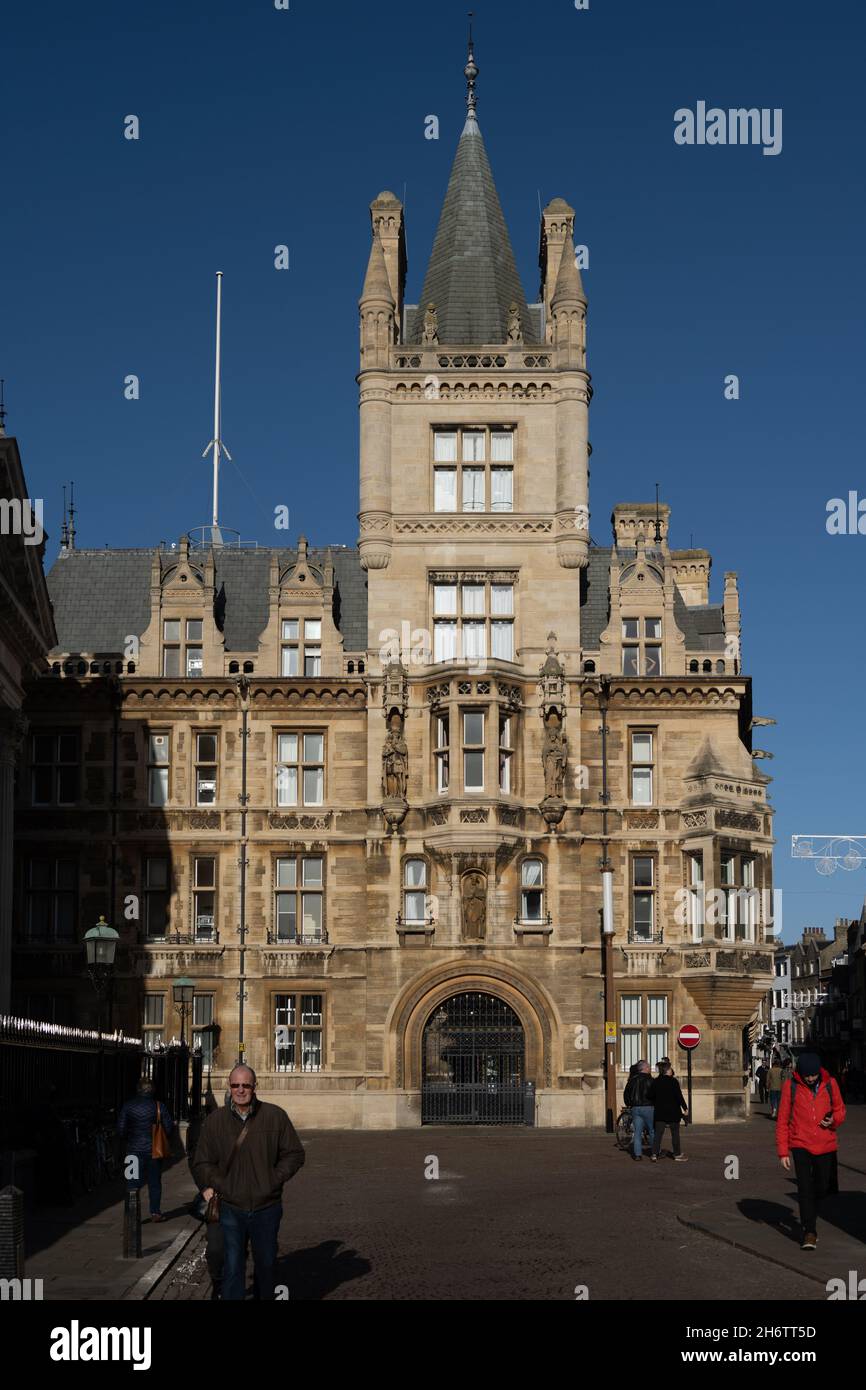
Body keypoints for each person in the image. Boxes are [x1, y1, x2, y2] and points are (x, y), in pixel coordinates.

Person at [191, 1064, 305, 1300]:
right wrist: (219, 1185)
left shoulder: (275, 1116)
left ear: (255, 1087)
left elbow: (294, 1153)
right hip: (231, 1207)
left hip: (267, 1206)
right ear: (229, 1086)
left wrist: (273, 1179)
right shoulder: (215, 1121)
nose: (240, 1090)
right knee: (233, 1266)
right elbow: (202, 1162)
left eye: (246, 1085)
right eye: (235, 1085)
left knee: (266, 1266)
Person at [776, 1050, 846, 1251]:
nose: (810, 1079)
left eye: (813, 1075)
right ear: (800, 1074)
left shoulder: (830, 1084)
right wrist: (783, 1152)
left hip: (826, 1144)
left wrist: (834, 1120)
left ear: (819, 1072)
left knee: (823, 1187)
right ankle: (809, 1231)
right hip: (800, 1145)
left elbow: (841, 1110)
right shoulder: (791, 1087)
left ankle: (811, 1208)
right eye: (807, 1075)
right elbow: (782, 1121)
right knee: (805, 1189)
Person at [118, 1078, 175, 1222]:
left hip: (133, 1151)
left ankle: (131, 1214)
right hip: (154, 1152)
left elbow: (121, 1129)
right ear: (152, 1091)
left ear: (138, 1090)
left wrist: (129, 1138)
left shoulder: (128, 1106)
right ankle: (155, 1212)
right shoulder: (159, 1106)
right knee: (154, 1183)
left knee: (132, 1183)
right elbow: (168, 1128)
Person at [649, 1065, 689, 1161]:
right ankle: (677, 1154)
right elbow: (679, 1096)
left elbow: (650, 1095)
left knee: (658, 1134)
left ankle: (654, 1154)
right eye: (670, 1069)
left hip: (660, 1111)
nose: (672, 1070)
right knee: (675, 1133)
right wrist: (685, 1108)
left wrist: (656, 1102)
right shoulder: (673, 1081)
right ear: (667, 1071)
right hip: (673, 1111)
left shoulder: (656, 1081)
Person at [623, 1059, 654, 1161]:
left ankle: (637, 1154)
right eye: (649, 1067)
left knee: (637, 1132)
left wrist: (629, 1104)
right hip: (648, 1107)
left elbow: (626, 1094)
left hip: (635, 1108)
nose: (650, 1069)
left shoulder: (632, 1080)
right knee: (652, 1131)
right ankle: (654, 1152)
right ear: (644, 1068)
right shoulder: (651, 1080)